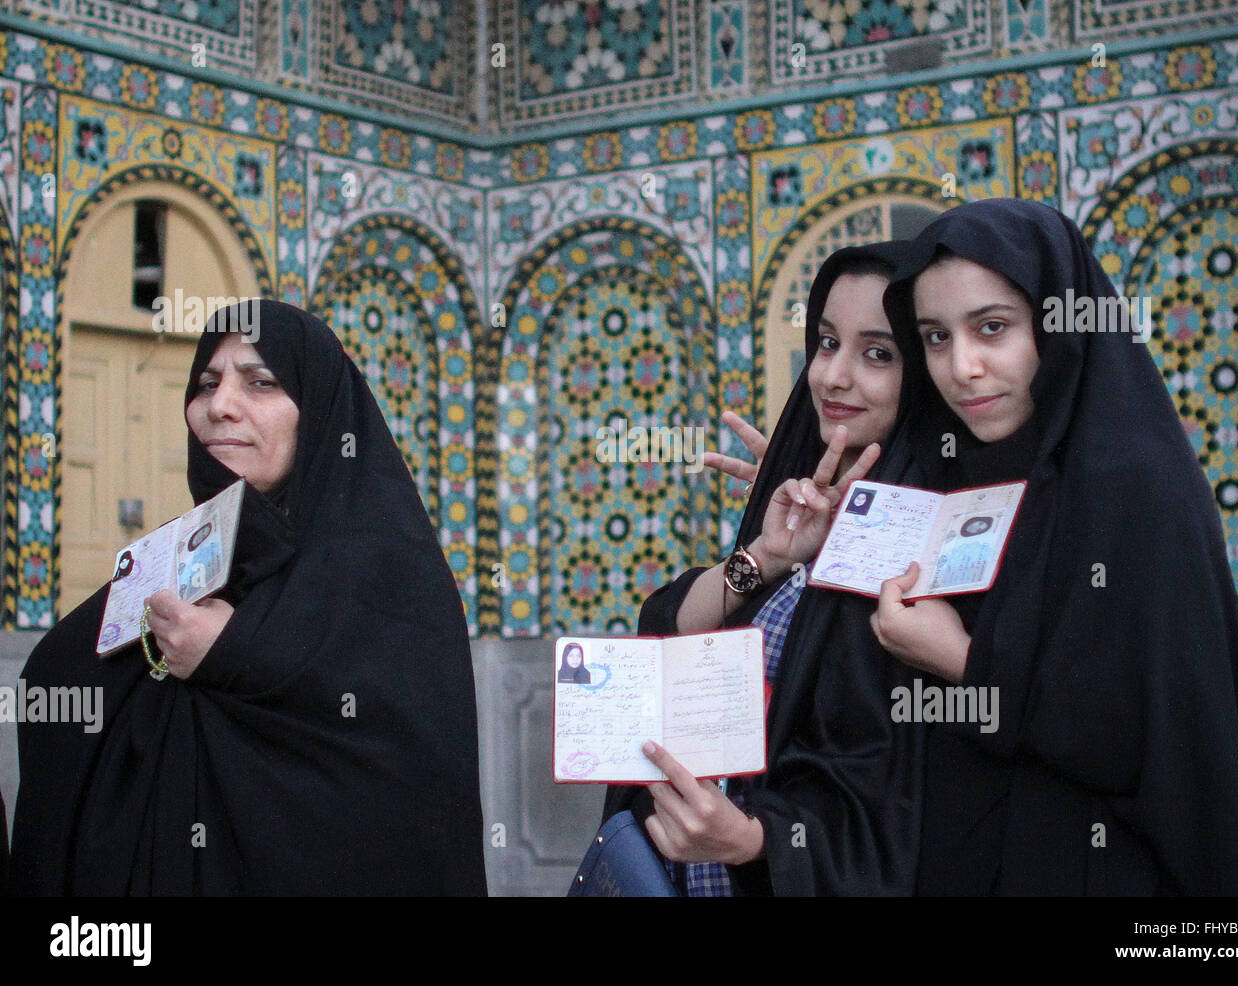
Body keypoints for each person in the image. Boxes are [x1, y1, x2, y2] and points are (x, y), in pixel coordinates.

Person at [9, 300, 487, 895]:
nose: (219, 405)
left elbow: (403, 796)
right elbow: (59, 682)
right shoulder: (188, 564)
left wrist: (236, 657)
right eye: (207, 383)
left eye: (261, 383)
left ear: (318, 413)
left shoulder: (393, 578)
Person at [874, 198, 1238, 894]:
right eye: (935, 338)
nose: (961, 367)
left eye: (992, 328)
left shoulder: (1137, 489)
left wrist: (967, 666)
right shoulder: (947, 479)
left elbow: (1159, 744)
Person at [601, 242, 927, 895]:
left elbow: (898, 802)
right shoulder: (810, 509)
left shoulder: (928, 544)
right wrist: (767, 557)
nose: (834, 376)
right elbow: (668, 628)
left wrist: (755, 841)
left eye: (878, 354)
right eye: (827, 343)